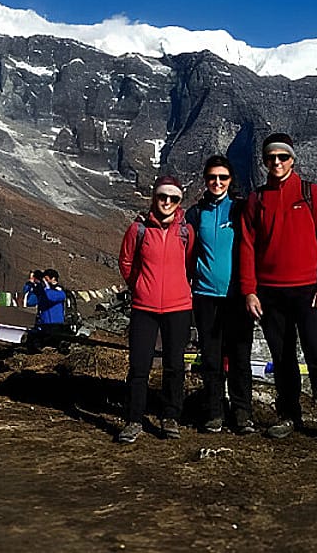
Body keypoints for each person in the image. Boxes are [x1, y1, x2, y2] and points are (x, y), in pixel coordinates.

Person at [240, 133, 317, 443]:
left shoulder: (314, 195)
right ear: (264, 161)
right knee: (282, 357)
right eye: (271, 158)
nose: (276, 162)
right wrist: (249, 290)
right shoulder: (256, 200)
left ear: (292, 160)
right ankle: (288, 414)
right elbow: (246, 246)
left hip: (309, 291)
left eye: (282, 157)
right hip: (270, 292)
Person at [116, 175, 194, 442]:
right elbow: (126, 260)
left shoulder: (186, 231)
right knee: (139, 365)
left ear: (179, 201)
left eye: (174, 198)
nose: (167, 202)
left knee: (175, 365)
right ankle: (134, 419)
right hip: (144, 306)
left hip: (179, 307)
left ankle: (170, 417)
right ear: (154, 198)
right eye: (163, 197)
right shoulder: (138, 230)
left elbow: (190, 262)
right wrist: (137, 285)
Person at [185, 155, 254, 434]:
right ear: (205, 180)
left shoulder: (239, 209)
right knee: (211, 358)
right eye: (212, 177)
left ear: (230, 180)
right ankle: (214, 411)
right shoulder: (196, 212)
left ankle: (241, 412)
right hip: (204, 295)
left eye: (222, 177)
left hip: (237, 296)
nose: (217, 182)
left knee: (239, 356)